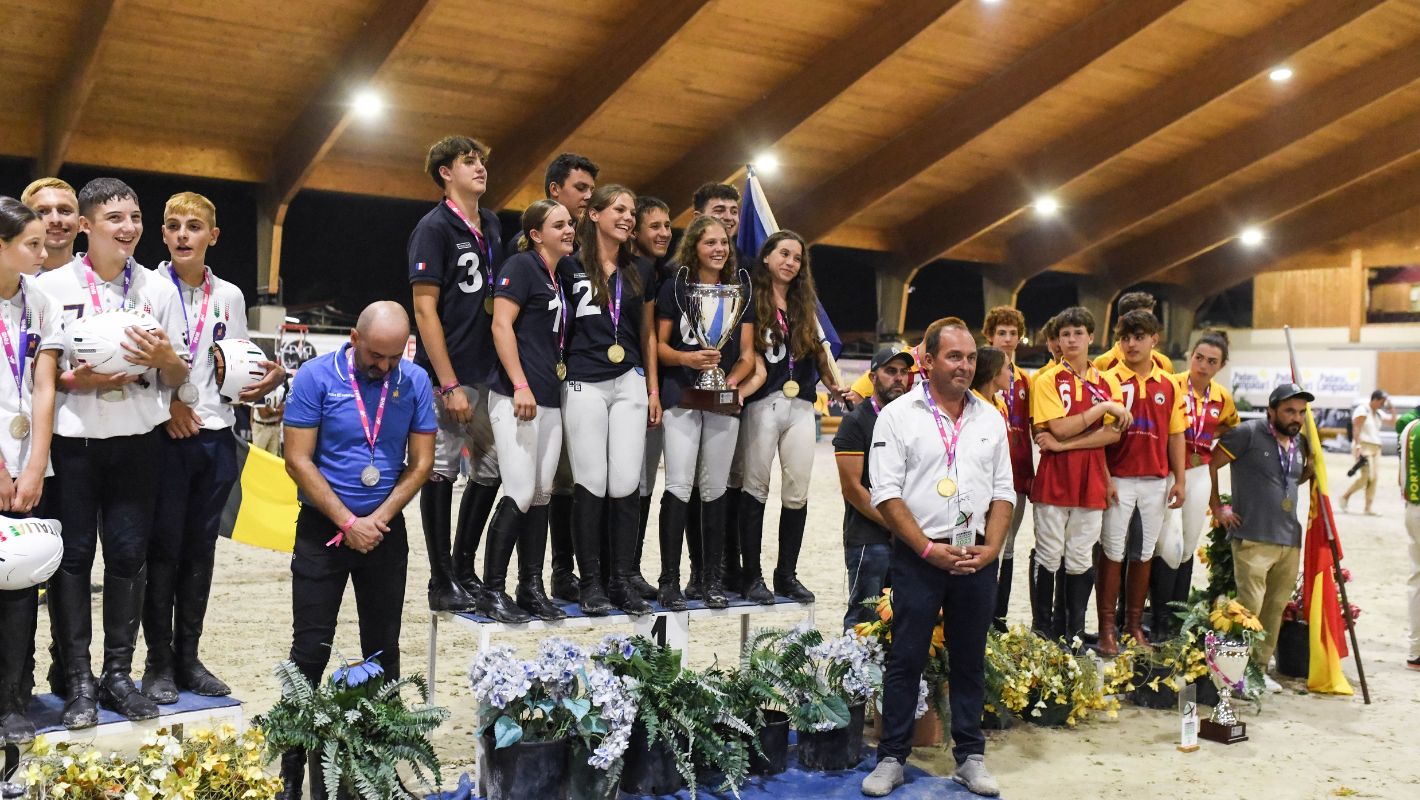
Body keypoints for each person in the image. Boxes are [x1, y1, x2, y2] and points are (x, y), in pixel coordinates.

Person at [38, 178, 190, 727]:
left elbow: (178, 376)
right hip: (74, 445)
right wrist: (78, 382)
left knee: (128, 558)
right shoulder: (50, 288)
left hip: (137, 442)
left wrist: (169, 356)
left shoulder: (158, 288)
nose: (128, 228)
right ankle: (77, 679)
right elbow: (42, 374)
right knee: (73, 561)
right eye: (114, 218)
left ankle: (118, 675)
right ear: (85, 226)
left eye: (135, 216)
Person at [277, 301, 434, 797]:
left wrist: (376, 521)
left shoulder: (414, 382)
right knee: (308, 654)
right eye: (376, 356)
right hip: (322, 533)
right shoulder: (315, 378)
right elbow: (296, 459)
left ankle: (376, 771)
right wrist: (347, 521)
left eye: (395, 357)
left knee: (383, 654)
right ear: (353, 337)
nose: (385, 367)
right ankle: (291, 775)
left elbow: (421, 463)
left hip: (385, 536)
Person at [862, 318, 1014, 798]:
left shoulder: (990, 417)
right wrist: (927, 549)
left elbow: (1004, 491)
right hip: (920, 555)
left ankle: (970, 756)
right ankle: (891, 757)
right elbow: (886, 495)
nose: (965, 366)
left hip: (975, 555)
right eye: (954, 357)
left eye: (970, 358)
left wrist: (992, 548)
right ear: (926, 362)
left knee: (970, 657)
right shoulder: (898, 415)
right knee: (906, 658)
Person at [141, 192, 283, 705]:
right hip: (166, 437)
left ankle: (188, 658)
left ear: (212, 236)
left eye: (194, 226)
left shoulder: (231, 296)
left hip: (218, 437)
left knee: (201, 552)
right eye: (174, 225)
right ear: (162, 234)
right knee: (164, 553)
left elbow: (235, 364)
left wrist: (261, 386)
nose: (183, 234)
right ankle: (156, 664)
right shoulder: (149, 287)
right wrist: (169, 406)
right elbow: (136, 364)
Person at [407, 135, 505, 614]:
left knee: (492, 468)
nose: (480, 168)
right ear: (445, 172)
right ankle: (440, 579)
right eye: (469, 162)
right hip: (449, 372)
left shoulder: (490, 223)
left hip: (490, 371)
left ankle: (465, 567)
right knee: (442, 468)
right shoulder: (433, 227)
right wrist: (446, 382)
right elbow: (425, 310)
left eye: (482, 161)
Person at [561, 185, 658, 616]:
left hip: (630, 380)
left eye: (632, 212)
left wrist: (653, 388)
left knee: (625, 483)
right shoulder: (566, 265)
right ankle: (591, 583)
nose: (628, 217)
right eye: (619, 209)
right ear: (594, 214)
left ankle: (621, 579)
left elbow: (648, 334)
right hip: (584, 380)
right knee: (590, 482)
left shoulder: (641, 270)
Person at [654, 216, 758, 610]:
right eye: (710, 242)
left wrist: (729, 381)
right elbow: (660, 346)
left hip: (720, 401)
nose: (719, 249)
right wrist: (689, 358)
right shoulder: (675, 288)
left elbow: (747, 355)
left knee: (714, 490)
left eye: (724, 243)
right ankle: (669, 580)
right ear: (694, 246)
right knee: (679, 486)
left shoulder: (740, 292)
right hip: (681, 395)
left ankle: (710, 579)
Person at [482, 200, 577, 622]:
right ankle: (490, 590)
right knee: (519, 491)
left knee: (541, 493)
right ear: (536, 233)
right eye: (560, 224)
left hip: (550, 398)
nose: (570, 229)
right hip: (516, 396)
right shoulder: (521, 266)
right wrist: (519, 384)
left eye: (571, 223)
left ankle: (531, 587)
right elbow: (501, 325)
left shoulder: (557, 276)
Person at [737, 231, 843, 604]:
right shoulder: (751, 299)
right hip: (763, 402)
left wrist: (834, 384)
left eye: (797, 258)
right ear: (766, 257)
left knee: (797, 491)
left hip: (801, 406)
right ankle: (751, 575)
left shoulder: (805, 306)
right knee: (756, 487)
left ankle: (787, 574)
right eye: (783, 254)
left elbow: (818, 358)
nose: (790, 262)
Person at [1029, 307, 1130, 643]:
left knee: (1079, 555)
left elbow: (1113, 435)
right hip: (1055, 477)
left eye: (1077, 333)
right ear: (1057, 341)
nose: (1071, 339)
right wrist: (1101, 409)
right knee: (1049, 552)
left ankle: (1073, 633)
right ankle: (1044, 630)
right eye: (1064, 334)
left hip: (1091, 477)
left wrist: (1062, 446)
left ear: (1091, 337)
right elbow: (1058, 426)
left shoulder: (1108, 380)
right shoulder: (1046, 380)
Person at [0, 197, 62, 744]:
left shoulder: (39, 300)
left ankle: (14, 696)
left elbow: (44, 386)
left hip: (26, 464)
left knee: (20, 581)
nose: (45, 253)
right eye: (32, 245)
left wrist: (36, 463)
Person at [1094, 310, 1187, 654]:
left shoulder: (1169, 383)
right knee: (1112, 552)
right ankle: (1106, 628)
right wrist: (1104, 477)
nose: (1131, 344)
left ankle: (1133, 625)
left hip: (1155, 482)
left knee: (1144, 554)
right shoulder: (1108, 381)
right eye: (1124, 338)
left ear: (1154, 340)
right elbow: (1099, 435)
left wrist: (1179, 480)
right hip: (1118, 478)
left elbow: (1176, 434)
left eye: (1138, 337)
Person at [1211, 383, 1313, 674]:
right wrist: (1219, 507)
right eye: (1289, 411)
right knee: (1249, 606)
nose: (1296, 418)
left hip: (1289, 540)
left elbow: (1288, 481)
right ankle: (1230, 672)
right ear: (1271, 411)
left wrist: (1309, 473)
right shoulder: (1248, 433)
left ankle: (1257, 670)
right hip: (1252, 536)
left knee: (1274, 609)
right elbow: (1209, 465)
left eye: (1301, 413)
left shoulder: (1300, 443)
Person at [541, 152, 601, 604]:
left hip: (591, 377)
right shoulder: (538, 250)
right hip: (549, 380)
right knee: (557, 479)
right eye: (580, 188)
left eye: (590, 191)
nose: (587, 198)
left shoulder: (597, 246)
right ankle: (561, 570)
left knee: (590, 477)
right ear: (554, 190)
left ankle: (591, 569)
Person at [1153, 331, 1238, 638]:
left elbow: (1231, 428)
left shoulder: (1222, 397)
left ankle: (1177, 617)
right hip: (1168, 472)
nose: (1203, 365)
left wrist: (1213, 451)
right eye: (1198, 358)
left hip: (1200, 471)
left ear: (1221, 365)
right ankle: (1158, 616)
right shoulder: (1171, 384)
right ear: (1190, 355)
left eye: (1211, 361)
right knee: (1168, 544)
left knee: (1188, 546)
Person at [835, 347, 913, 630]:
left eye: (904, 372)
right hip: (869, 538)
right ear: (872, 377)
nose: (899, 378)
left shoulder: (910, 420)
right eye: (890, 371)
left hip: (908, 535)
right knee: (864, 617)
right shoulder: (856, 421)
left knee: (903, 615)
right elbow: (852, 488)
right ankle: (855, 674)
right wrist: (895, 522)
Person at [632, 196, 675, 599]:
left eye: (667, 225)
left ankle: (629, 568)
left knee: (645, 482)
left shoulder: (672, 274)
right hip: (634, 388)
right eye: (654, 226)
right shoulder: (630, 271)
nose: (663, 233)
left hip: (659, 393)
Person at [982, 307, 1033, 630]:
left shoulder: (1028, 380)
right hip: (987, 473)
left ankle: (998, 616)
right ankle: (982, 613)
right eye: (1002, 333)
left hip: (1018, 470)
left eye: (1013, 333)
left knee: (1010, 543)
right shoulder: (979, 378)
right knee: (986, 542)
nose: (1009, 339)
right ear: (990, 336)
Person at [1093, 291, 1174, 373]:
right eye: (1139, 319)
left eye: (1149, 319)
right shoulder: (1103, 364)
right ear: (1121, 320)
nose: (1146, 324)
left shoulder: (1163, 363)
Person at [1342, 389, 1390, 515]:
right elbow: (1356, 427)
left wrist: (1392, 409)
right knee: (1366, 476)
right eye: (1382, 402)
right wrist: (1357, 446)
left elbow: (1393, 422)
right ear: (1374, 400)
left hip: (1376, 447)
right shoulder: (1363, 409)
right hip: (1363, 445)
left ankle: (1368, 507)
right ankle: (1345, 496)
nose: (1383, 404)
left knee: (1374, 478)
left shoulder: (1379, 413)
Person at [20, 178, 80, 272]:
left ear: (80, 222)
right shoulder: (8, 279)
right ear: (24, 223)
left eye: (65, 211)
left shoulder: (100, 277)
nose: (55, 220)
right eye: (42, 212)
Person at [1399, 412, 1420, 671]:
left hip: (1412, 509)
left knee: (1417, 579)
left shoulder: (1410, 428)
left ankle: (1416, 650)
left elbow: (1400, 478)